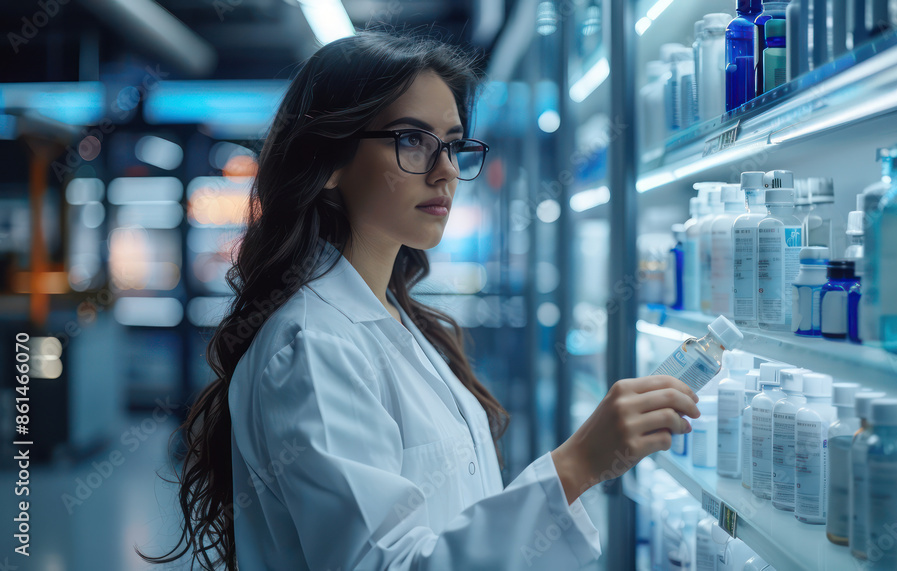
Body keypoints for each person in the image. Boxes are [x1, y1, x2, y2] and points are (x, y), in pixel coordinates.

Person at [138, 30, 700, 570]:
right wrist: (577, 465)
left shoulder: (395, 318)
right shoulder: (312, 345)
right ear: (329, 161)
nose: (447, 172)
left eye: (453, 145)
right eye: (412, 140)